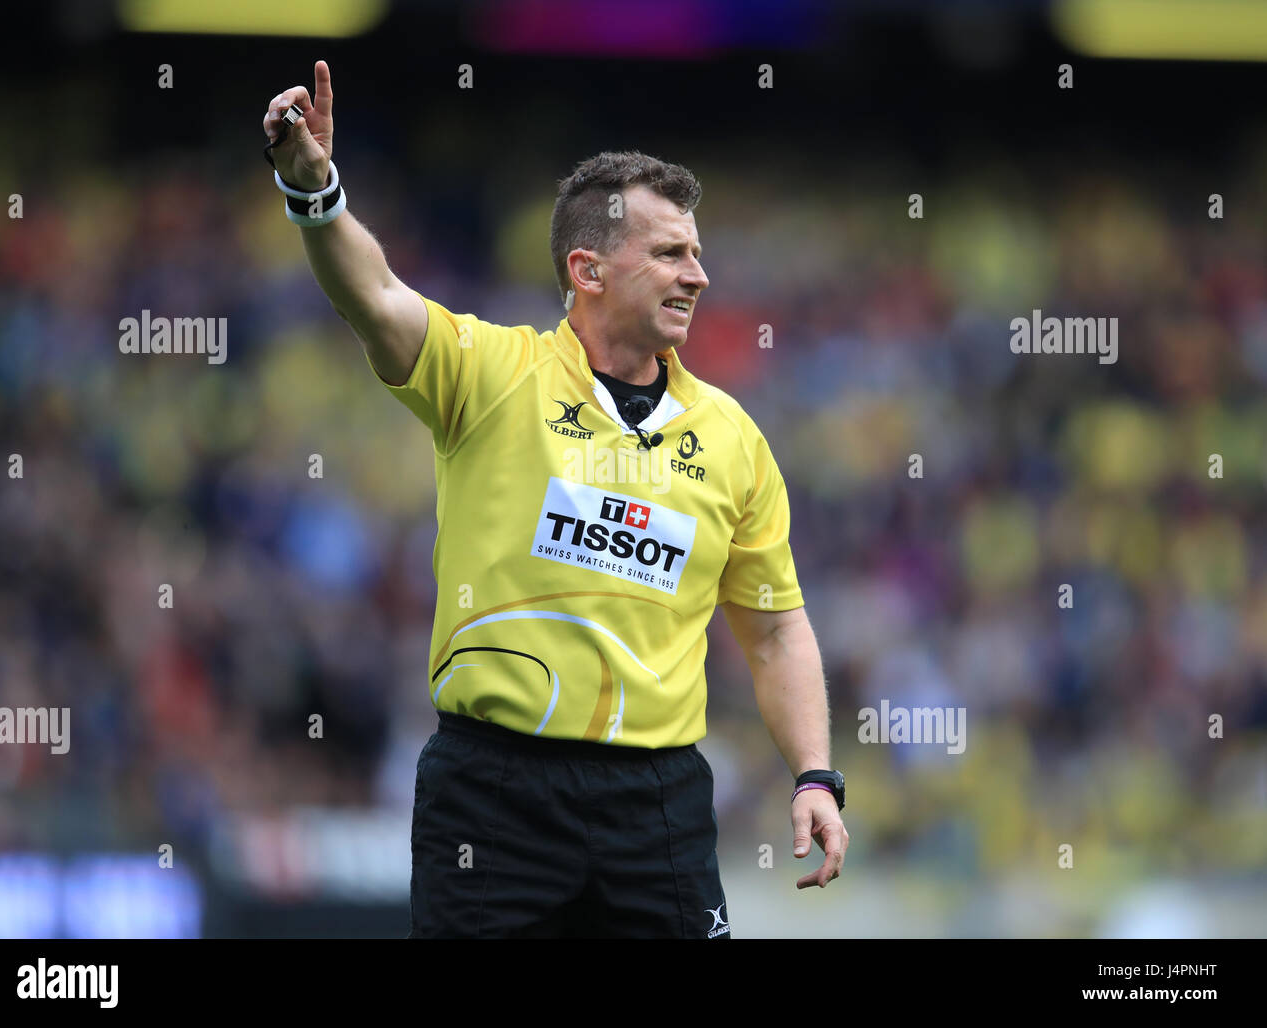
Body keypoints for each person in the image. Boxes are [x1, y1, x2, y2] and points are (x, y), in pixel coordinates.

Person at [261, 60, 850, 938]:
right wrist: (316, 195)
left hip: (659, 800)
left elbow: (774, 628)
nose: (699, 275)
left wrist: (813, 776)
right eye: (670, 253)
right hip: (494, 794)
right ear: (589, 269)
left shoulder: (733, 437)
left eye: (697, 252)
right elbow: (376, 297)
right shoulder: (491, 373)